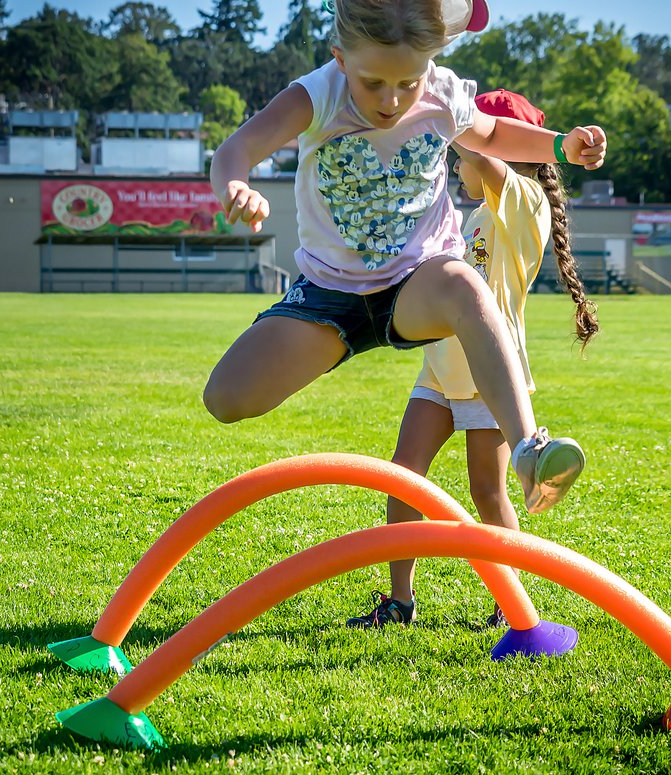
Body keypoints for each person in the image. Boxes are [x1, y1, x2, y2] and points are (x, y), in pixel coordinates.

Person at [203, 0, 607, 517]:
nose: (391, 101)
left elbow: (490, 133)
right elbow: (234, 150)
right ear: (341, 58)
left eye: (408, 83)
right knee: (227, 398)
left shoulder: (443, 93)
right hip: (331, 297)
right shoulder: (316, 95)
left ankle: (529, 451)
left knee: (464, 284)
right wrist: (236, 185)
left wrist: (560, 145)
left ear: (429, 67)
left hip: (417, 284)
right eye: (373, 83)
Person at [346, 89, 599, 629]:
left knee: (486, 491)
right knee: (403, 475)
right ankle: (399, 601)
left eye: (461, 153)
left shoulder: (525, 198)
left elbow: (484, 151)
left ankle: (514, 608)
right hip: (439, 367)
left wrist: (441, 116)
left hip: (490, 374)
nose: (457, 163)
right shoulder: (475, 214)